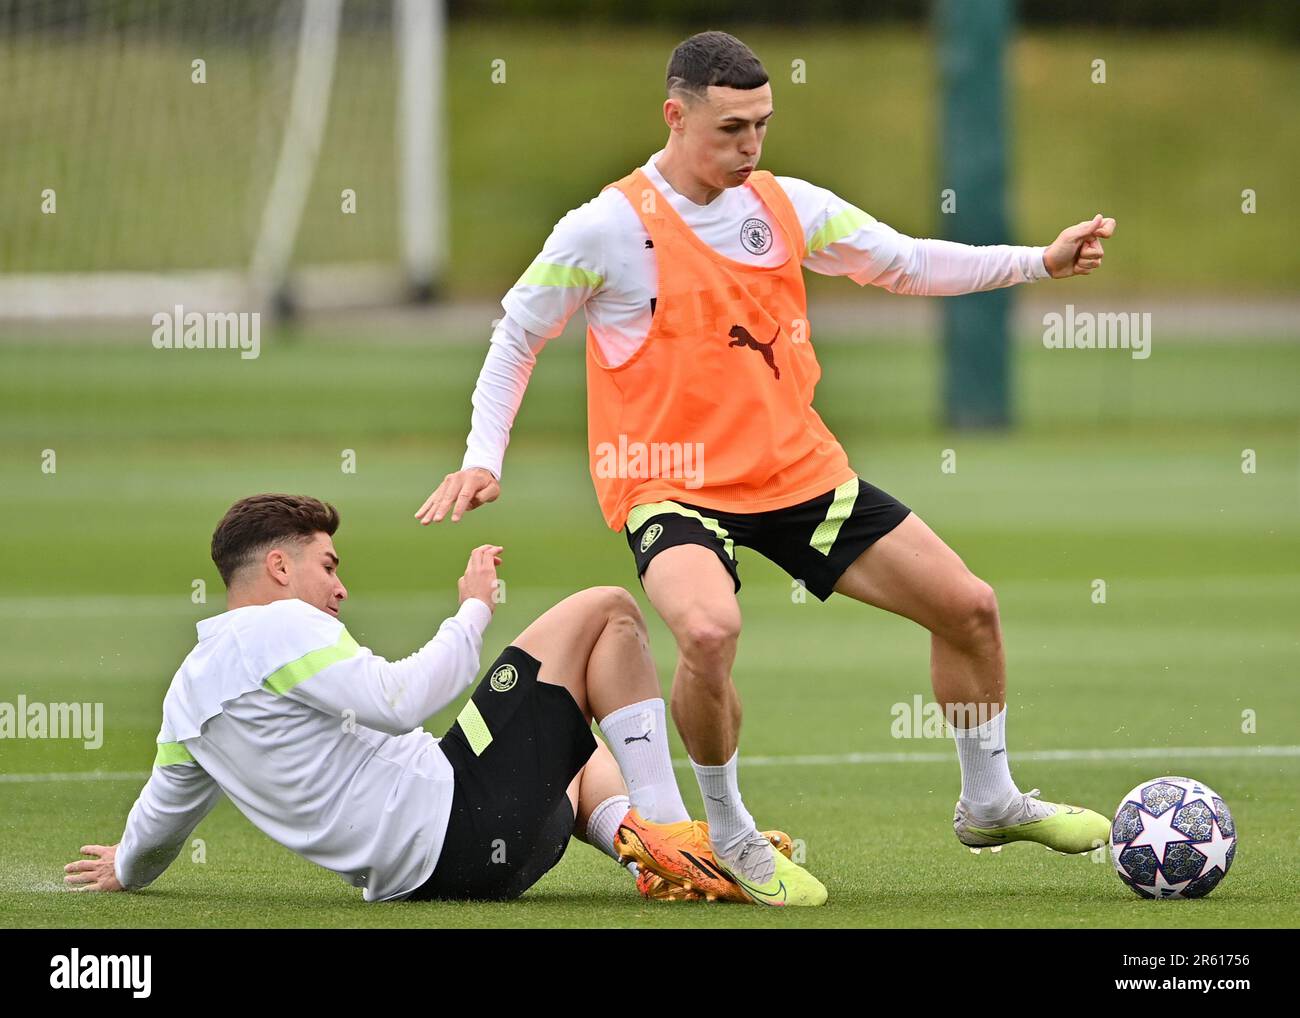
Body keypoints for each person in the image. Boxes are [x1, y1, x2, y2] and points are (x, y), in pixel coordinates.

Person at [414, 31, 1114, 906]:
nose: (751, 147)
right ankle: (732, 835)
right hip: (667, 483)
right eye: (732, 128)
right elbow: (518, 333)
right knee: (707, 632)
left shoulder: (785, 204)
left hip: (797, 475)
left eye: (763, 126)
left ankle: (990, 799)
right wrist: (485, 457)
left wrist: (1037, 261)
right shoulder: (607, 227)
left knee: (969, 607)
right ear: (676, 116)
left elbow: (902, 261)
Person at [63, 493, 779, 904]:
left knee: (572, 732)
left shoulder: (188, 693)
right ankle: (678, 839)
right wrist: (471, 611)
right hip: (466, 821)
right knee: (609, 608)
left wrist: (129, 866)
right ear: (278, 567)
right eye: (327, 566)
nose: (340, 588)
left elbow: (164, 815)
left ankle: (638, 848)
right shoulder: (279, 625)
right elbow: (398, 700)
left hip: (438, 873)